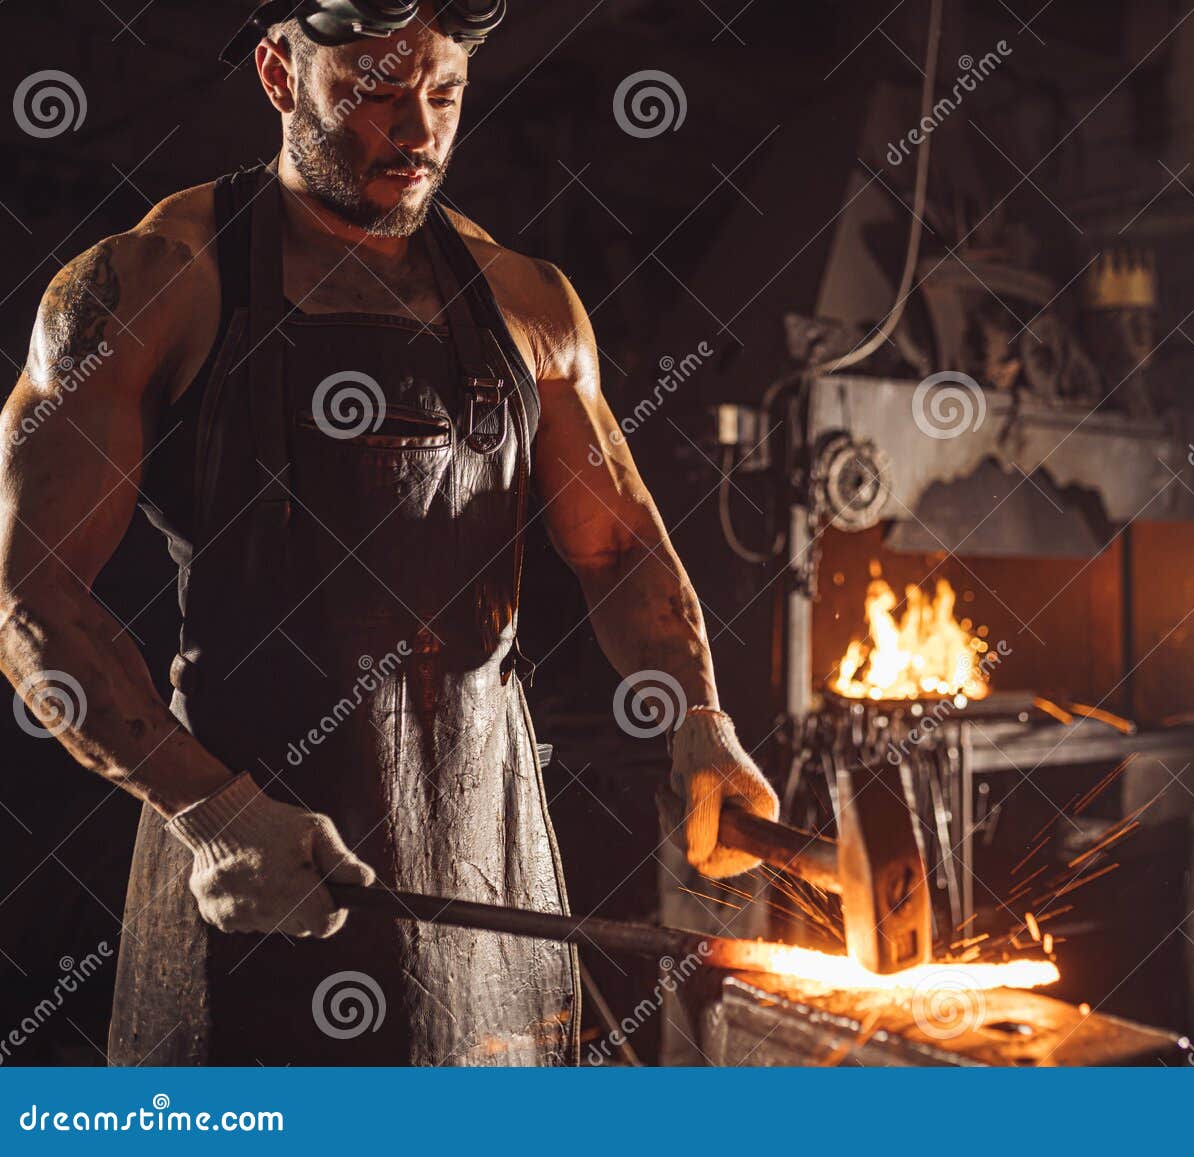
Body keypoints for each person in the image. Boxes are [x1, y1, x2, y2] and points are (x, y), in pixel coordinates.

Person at [0, 3, 776, 1065]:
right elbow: (29, 594)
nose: (416, 129)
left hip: (483, 857)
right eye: (372, 89)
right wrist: (211, 809)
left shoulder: (529, 305)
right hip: (254, 866)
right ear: (279, 73)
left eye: (444, 92)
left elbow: (620, 547)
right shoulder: (149, 283)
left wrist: (700, 718)